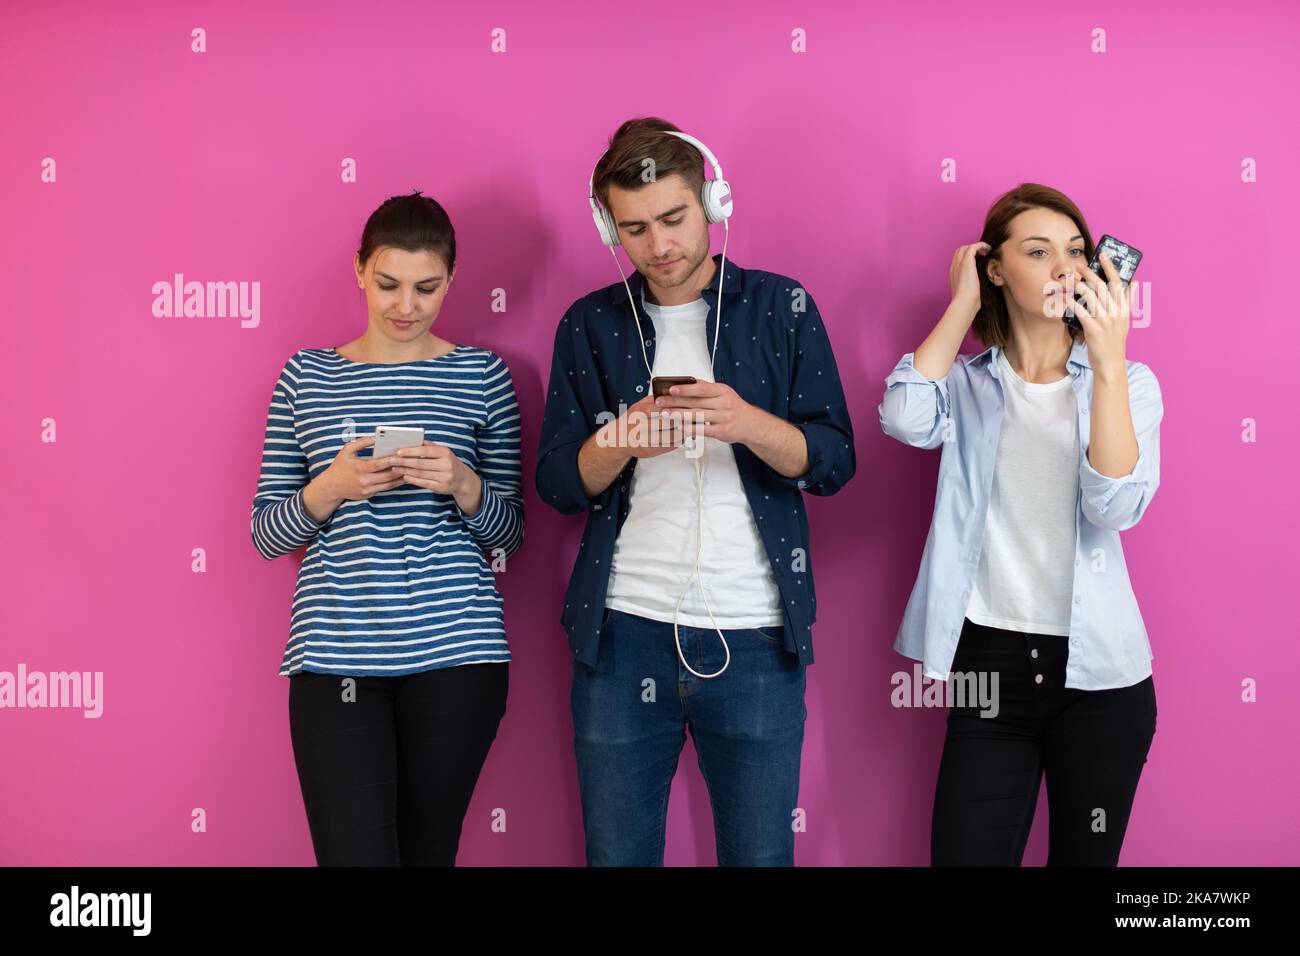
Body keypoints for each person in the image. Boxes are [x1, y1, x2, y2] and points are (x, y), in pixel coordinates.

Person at [536, 117, 855, 865]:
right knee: (616, 856)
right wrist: (621, 438)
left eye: (674, 219)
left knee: (760, 856)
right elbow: (556, 486)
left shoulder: (783, 307)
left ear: (712, 204)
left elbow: (835, 461)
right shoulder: (588, 325)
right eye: (634, 229)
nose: (659, 245)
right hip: (621, 635)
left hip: (755, 634)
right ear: (611, 228)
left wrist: (748, 424)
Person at [879, 182, 1161, 866]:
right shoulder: (968, 383)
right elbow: (904, 417)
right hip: (989, 666)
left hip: (1100, 679)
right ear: (996, 268)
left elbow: (1114, 506)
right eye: (1039, 252)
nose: (1065, 267)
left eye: (1076, 251)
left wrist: (1108, 361)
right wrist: (962, 304)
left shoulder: (1128, 382)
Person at [250, 190, 523, 866]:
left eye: (427, 288)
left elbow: (510, 533)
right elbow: (265, 534)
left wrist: (464, 485)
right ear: (359, 269)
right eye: (388, 284)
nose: (406, 306)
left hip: (457, 654)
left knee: (427, 854)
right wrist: (330, 488)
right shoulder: (305, 376)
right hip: (334, 654)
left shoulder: (482, 375)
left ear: (452, 279)